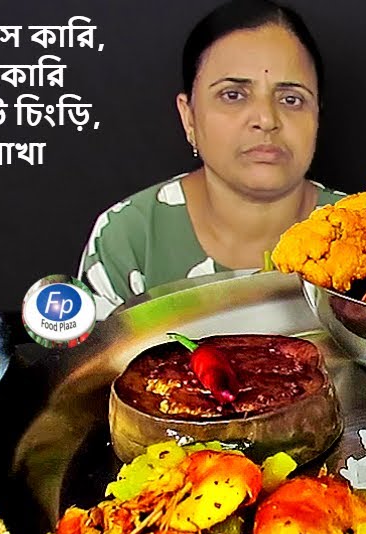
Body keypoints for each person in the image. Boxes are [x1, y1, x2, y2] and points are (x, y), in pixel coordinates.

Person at [79, 0, 343, 317]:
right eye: (233, 95)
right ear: (189, 116)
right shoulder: (130, 238)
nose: (266, 118)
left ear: (318, 116)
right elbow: (98, 364)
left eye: (291, 99)